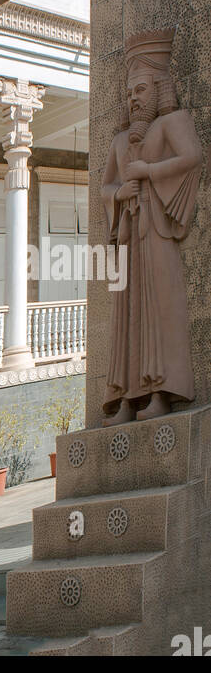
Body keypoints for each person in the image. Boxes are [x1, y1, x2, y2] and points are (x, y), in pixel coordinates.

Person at [101, 30, 202, 424]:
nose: (133, 98)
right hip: (129, 234)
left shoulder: (171, 122)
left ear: (158, 88)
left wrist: (149, 171)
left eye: (141, 89)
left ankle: (160, 392)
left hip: (157, 232)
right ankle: (127, 399)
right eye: (129, 93)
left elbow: (191, 157)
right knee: (127, 319)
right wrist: (120, 193)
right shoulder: (120, 140)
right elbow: (104, 187)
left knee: (159, 312)